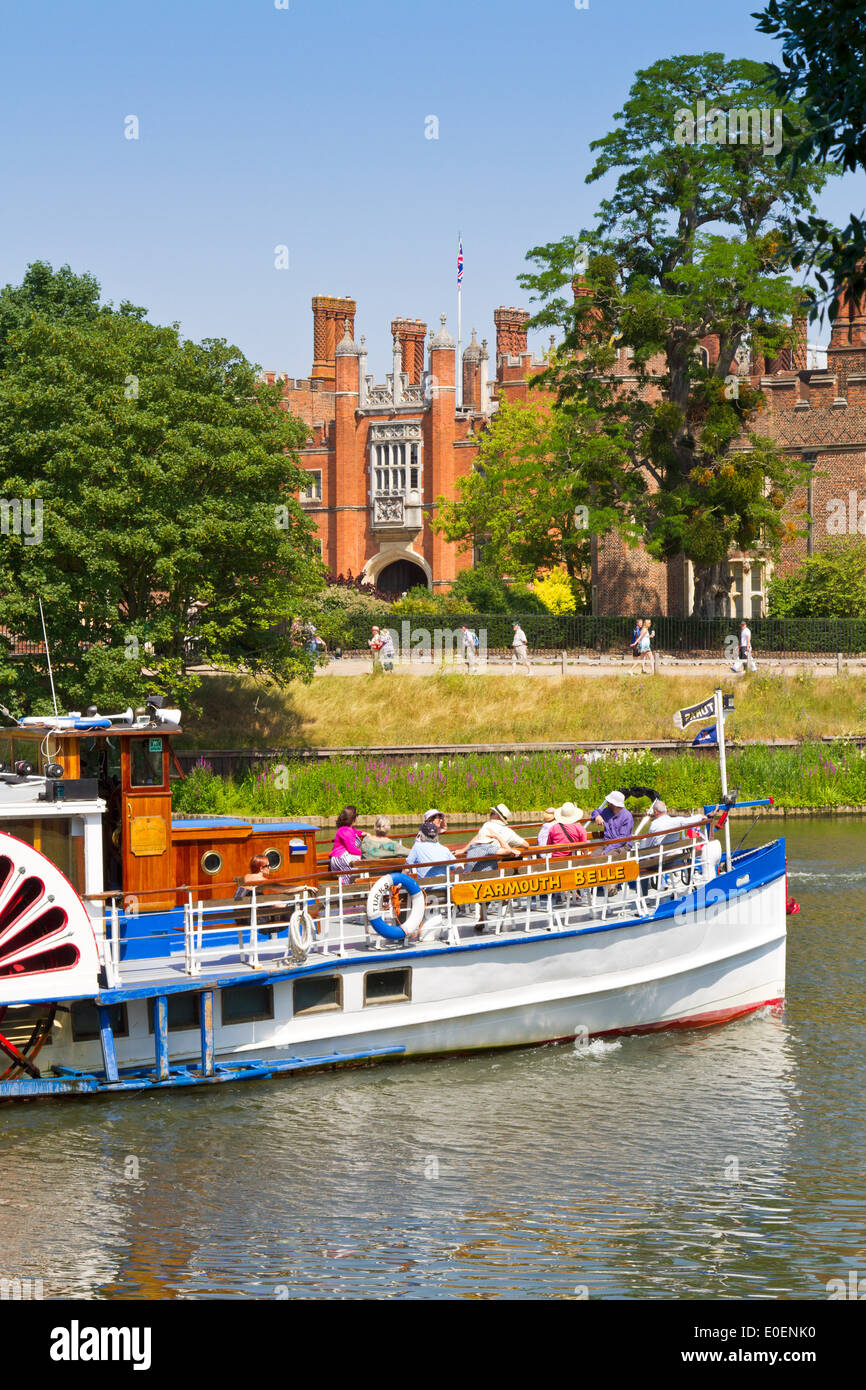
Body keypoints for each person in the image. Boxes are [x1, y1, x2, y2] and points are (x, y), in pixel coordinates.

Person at [405, 809, 457, 880]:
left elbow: (444, 828)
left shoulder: (430, 830)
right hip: (426, 864)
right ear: (431, 820)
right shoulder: (423, 836)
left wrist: (443, 818)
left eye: (440, 818)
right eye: (438, 818)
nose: (441, 820)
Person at [330, 805, 363, 882]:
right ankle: (348, 888)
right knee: (358, 867)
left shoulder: (346, 829)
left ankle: (349, 886)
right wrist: (364, 853)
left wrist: (362, 833)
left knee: (358, 868)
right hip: (341, 858)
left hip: (339, 858)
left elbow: (355, 832)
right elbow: (352, 849)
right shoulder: (345, 831)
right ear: (353, 819)